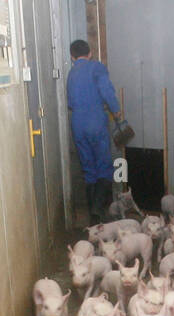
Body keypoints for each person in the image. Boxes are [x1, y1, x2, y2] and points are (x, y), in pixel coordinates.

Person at [65, 39, 120, 226]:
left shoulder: (71, 74)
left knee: (88, 169)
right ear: (90, 53)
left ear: (72, 57)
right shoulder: (96, 67)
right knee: (104, 166)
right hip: (95, 119)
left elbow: (70, 103)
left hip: (78, 122)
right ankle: (99, 210)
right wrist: (116, 109)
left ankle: (92, 218)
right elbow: (106, 90)